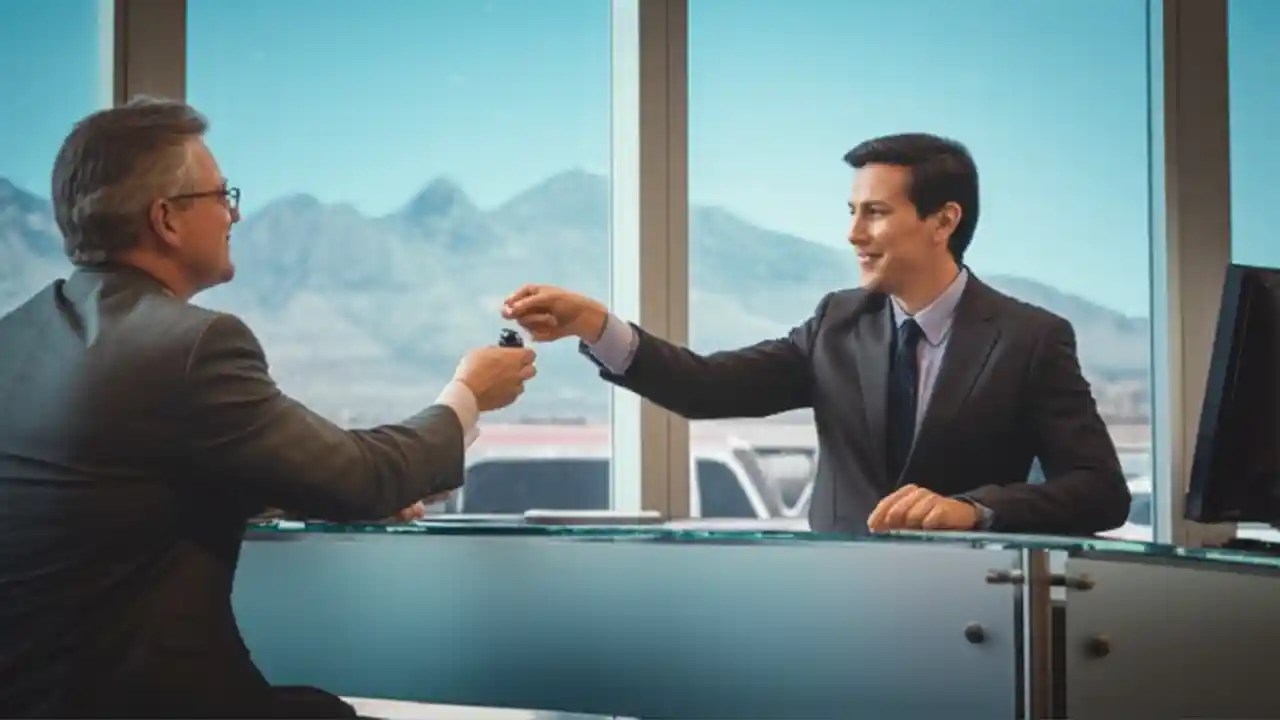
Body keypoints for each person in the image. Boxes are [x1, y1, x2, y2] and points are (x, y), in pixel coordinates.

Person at [0, 97, 536, 717]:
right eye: (221, 195)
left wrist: (282, 486)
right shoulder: (192, 345)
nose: (233, 214)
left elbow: (109, 484)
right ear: (166, 219)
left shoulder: (17, 337)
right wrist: (468, 393)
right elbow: (361, 477)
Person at [502, 132, 1130, 536]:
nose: (854, 234)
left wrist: (976, 510)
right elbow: (707, 388)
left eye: (875, 212)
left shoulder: (1031, 338)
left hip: (968, 623)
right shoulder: (838, 321)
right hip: (834, 617)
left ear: (943, 221)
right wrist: (595, 325)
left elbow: (1100, 493)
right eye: (852, 212)